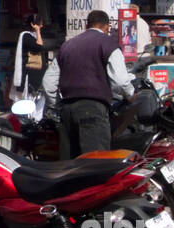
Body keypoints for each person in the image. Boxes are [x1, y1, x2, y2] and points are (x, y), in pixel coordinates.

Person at [56, 10, 136, 158]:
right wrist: (131, 95)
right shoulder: (108, 44)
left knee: (68, 166)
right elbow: (120, 81)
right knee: (96, 163)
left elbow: (49, 82)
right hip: (92, 109)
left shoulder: (67, 46)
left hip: (66, 110)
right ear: (107, 27)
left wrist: (53, 106)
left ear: (86, 25)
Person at [11, 14, 46, 107]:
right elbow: (39, 47)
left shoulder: (33, 36)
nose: (41, 26)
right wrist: (38, 30)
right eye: (39, 24)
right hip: (28, 76)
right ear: (33, 24)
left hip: (34, 76)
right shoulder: (26, 36)